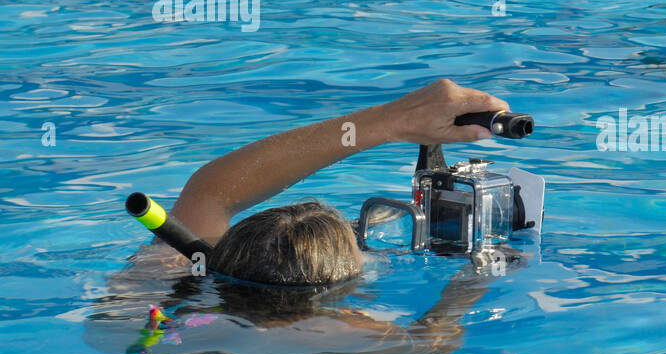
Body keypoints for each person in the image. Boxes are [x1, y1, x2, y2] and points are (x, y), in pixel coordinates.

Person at [132, 78, 509, 287]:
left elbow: (209, 193)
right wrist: (474, 278)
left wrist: (391, 121)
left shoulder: (146, 298)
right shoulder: (352, 340)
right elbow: (434, 343)